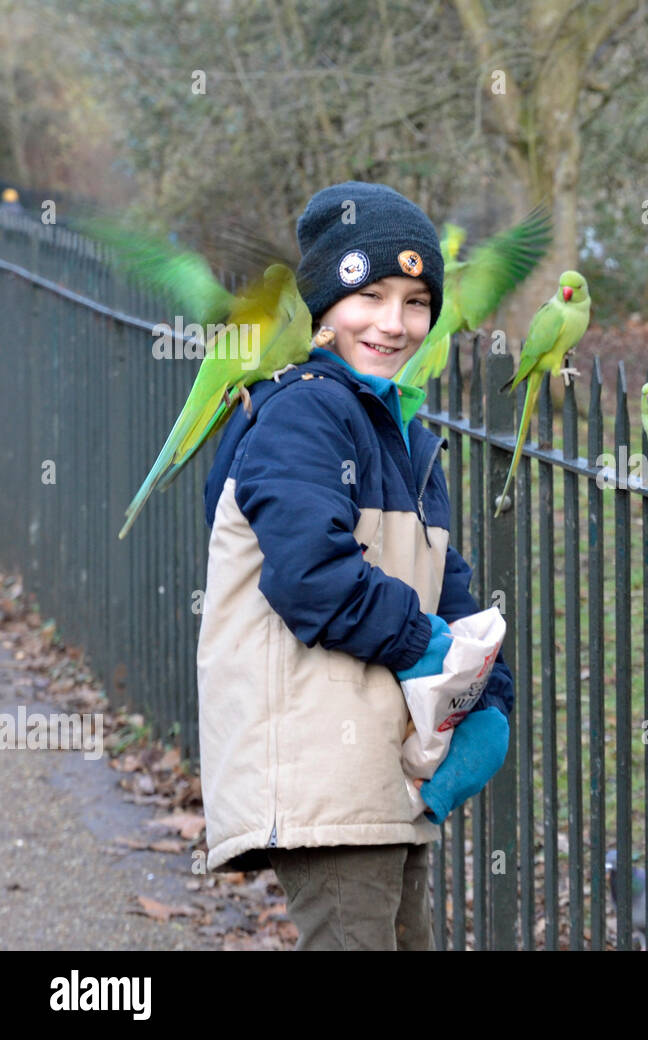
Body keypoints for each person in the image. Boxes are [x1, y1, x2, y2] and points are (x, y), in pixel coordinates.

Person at [195, 181, 514, 950]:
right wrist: (429, 649)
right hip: (319, 771)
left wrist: (486, 696)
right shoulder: (306, 410)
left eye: (414, 300)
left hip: (379, 773)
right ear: (319, 307)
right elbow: (311, 578)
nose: (394, 322)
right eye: (367, 294)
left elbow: (448, 581)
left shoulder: (396, 429)